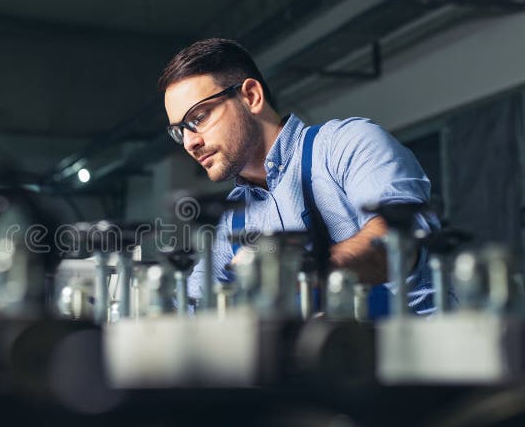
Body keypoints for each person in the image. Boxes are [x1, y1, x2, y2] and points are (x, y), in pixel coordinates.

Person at [158, 38, 437, 315]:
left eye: (200, 117)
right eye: (180, 131)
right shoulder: (233, 218)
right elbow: (191, 305)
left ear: (251, 96)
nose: (189, 143)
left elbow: (400, 242)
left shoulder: (346, 144)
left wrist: (292, 270)